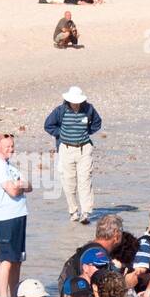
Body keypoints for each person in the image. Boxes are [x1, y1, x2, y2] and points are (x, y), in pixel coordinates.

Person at [44, 85, 102, 224]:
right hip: (66, 149)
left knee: (85, 181)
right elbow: (48, 125)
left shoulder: (89, 109)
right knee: (68, 182)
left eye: (77, 101)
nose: (75, 104)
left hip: (84, 149)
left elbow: (97, 123)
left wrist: (87, 132)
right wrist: (61, 135)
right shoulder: (60, 110)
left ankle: (86, 212)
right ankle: (73, 211)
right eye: (73, 101)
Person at [0, 132, 30, 297]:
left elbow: (29, 186)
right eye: (7, 147)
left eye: (12, 146)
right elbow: (12, 190)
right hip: (6, 218)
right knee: (6, 260)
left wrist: (20, 186)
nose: (10, 149)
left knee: (17, 260)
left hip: (19, 214)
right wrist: (18, 186)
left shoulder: (9, 165)